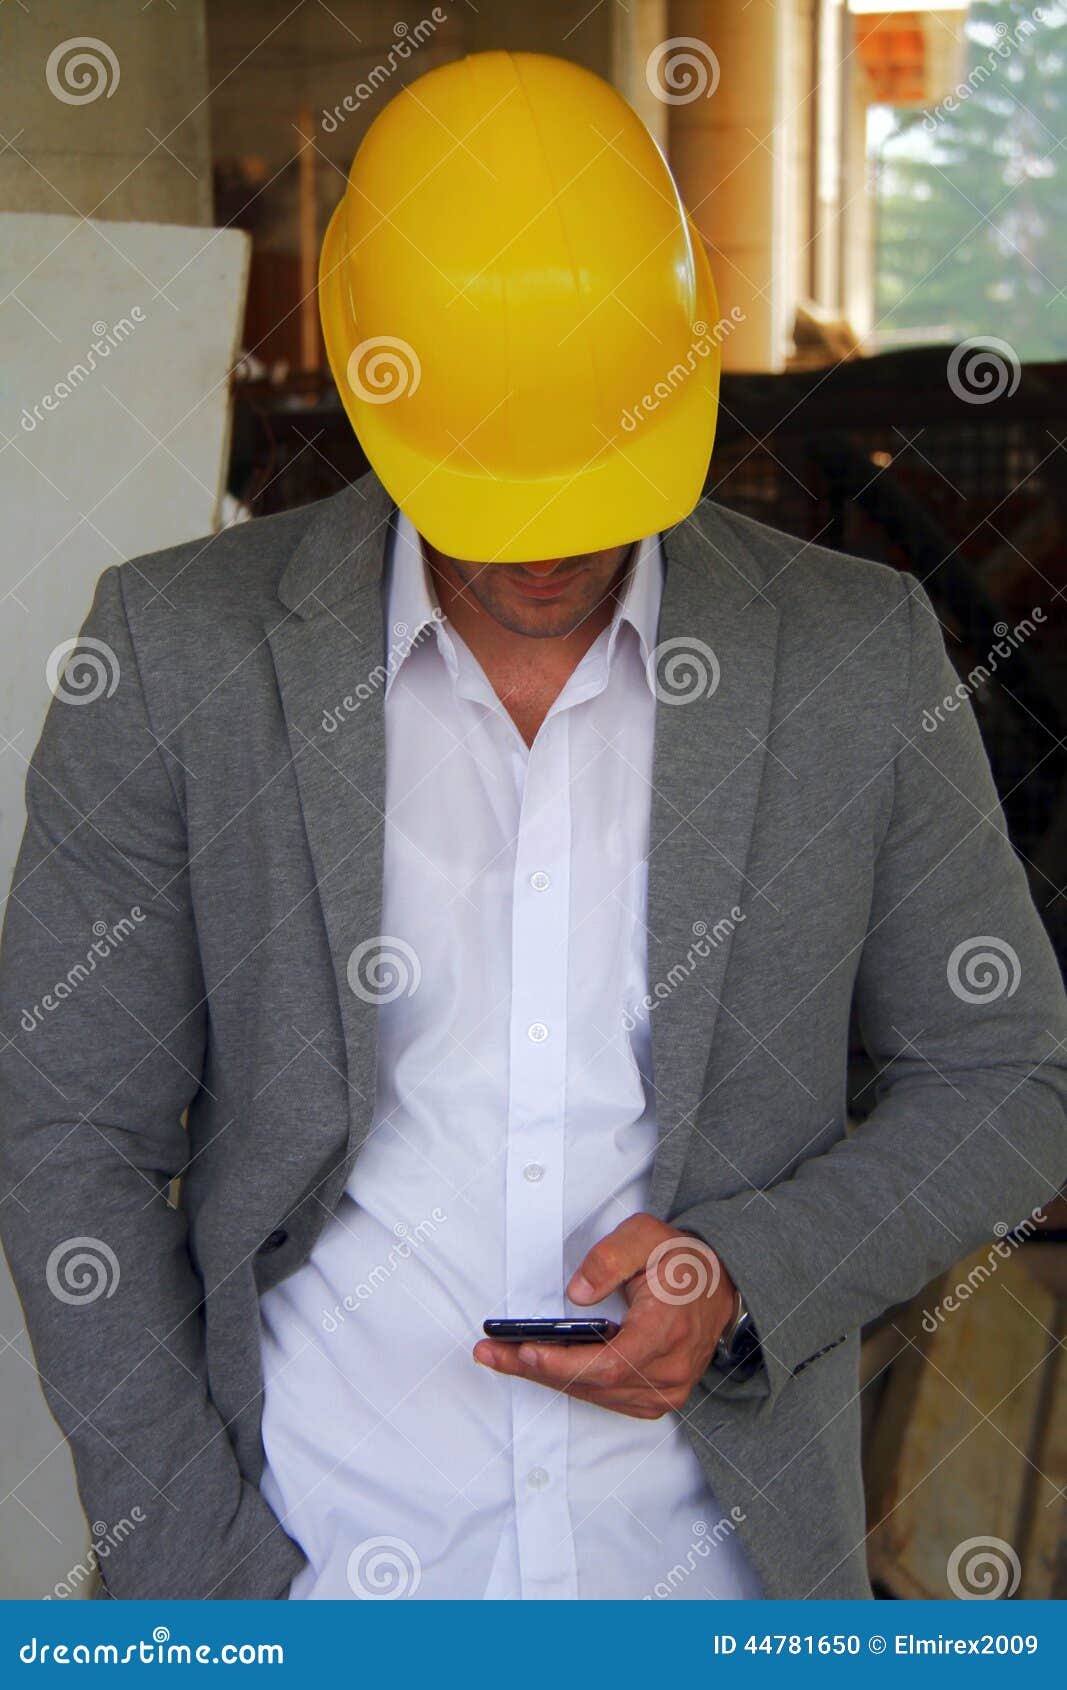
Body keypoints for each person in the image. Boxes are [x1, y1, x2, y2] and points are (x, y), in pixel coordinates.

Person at [1, 50, 1064, 1603]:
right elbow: (67, 1133)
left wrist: (751, 1273)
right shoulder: (180, 656)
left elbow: (1011, 1072)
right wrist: (206, 1581)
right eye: (494, 492)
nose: (549, 551)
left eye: (591, 481)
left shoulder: (849, 657)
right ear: (368, 378)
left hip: (711, 1587)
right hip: (306, 1584)